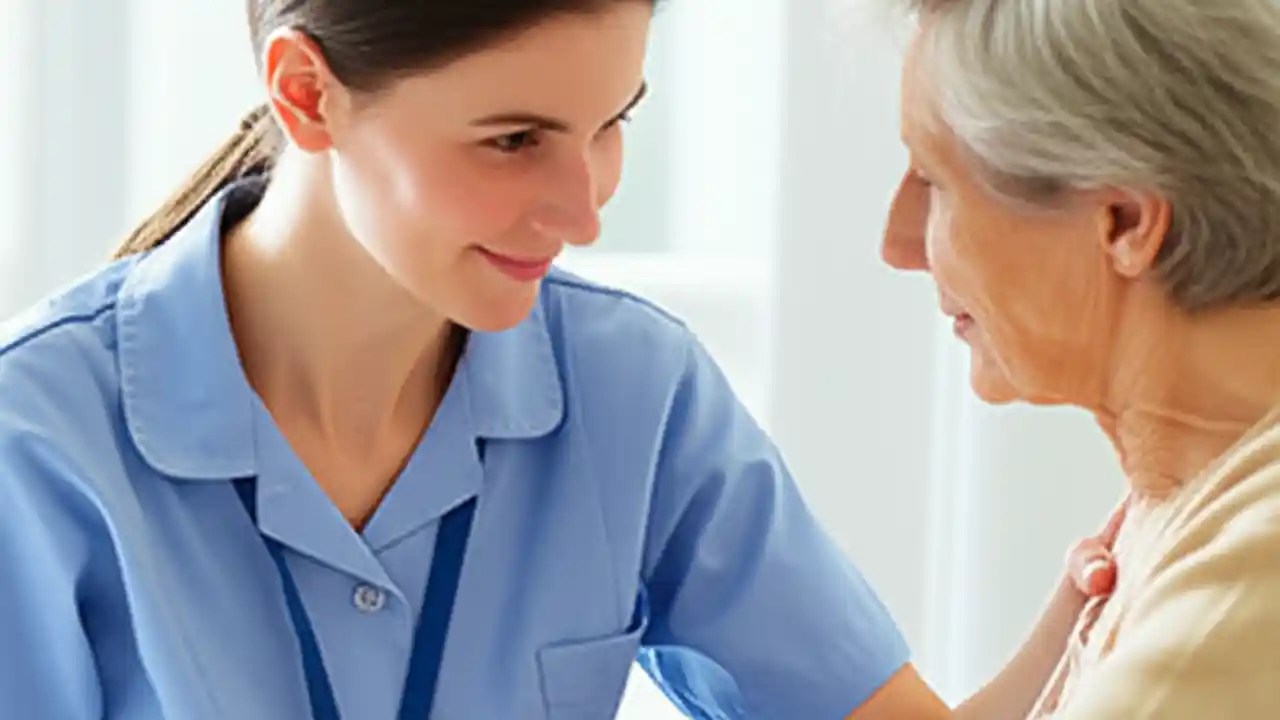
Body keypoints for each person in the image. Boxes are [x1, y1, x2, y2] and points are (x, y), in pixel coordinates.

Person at [0, 1, 1117, 719]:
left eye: (611, 124)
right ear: (305, 95)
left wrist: (1088, 617)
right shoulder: (37, 446)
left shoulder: (633, 393)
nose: (584, 210)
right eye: (514, 141)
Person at [883, 0, 1280, 717]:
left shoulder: (1245, 581)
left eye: (935, 182)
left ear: (1123, 222)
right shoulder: (1183, 512)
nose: (899, 244)